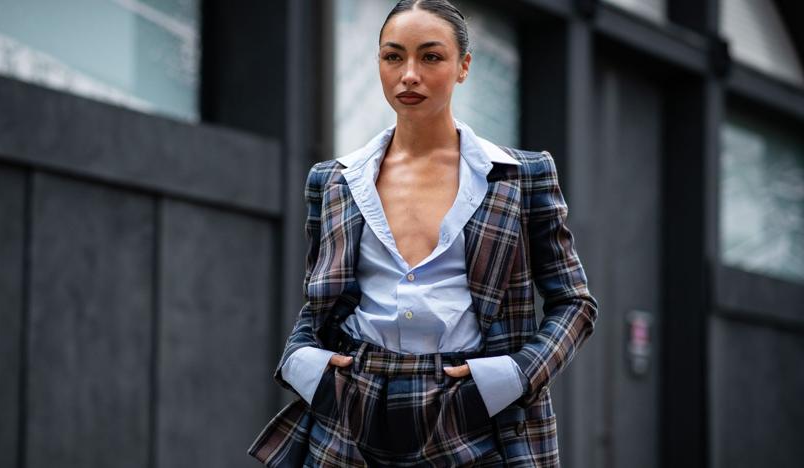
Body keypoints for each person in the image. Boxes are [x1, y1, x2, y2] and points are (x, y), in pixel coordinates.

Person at [248, 1, 598, 466]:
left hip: (472, 412)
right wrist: (302, 361)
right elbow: (320, 300)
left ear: (464, 66)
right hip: (351, 402)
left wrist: (514, 376)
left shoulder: (522, 176)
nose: (409, 74)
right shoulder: (332, 180)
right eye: (393, 57)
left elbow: (574, 302)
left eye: (430, 57)